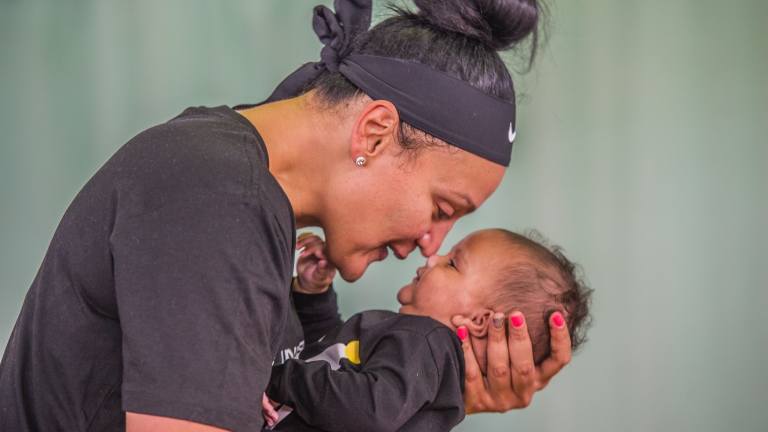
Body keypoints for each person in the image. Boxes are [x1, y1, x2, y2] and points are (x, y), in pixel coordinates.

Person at [0, 0, 573, 431]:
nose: (429, 244)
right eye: (441, 209)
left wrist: (448, 395)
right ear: (374, 134)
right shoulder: (217, 197)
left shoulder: (240, 193)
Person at [262, 230, 592, 431]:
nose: (433, 257)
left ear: (478, 321)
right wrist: (315, 296)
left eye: (452, 263)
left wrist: (273, 379)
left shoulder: (424, 340)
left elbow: (366, 409)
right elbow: (334, 358)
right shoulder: (428, 368)